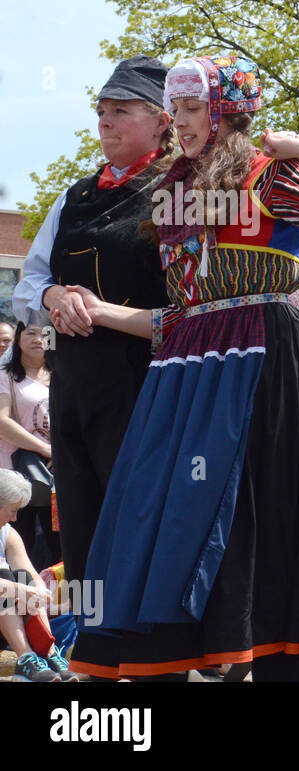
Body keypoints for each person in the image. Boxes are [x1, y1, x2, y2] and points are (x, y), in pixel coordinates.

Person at [65, 54, 299, 681]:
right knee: (165, 513)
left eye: (192, 109)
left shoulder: (269, 176)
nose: (179, 121)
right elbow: (181, 316)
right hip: (185, 372)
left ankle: (276, 657)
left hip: (264, 361)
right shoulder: (173, 193)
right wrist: (99, 309)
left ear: (225, 113)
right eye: (176, 109)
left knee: (260, 511)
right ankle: (177, 656)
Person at [12, 55, 175, 606]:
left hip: (146, 386)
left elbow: (196, 304)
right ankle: (95, 648)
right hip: (74, 389)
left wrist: (101, 310)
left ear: (162, 121)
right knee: (80, 521)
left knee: (141, 517)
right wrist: (54, 295)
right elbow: (27, 285)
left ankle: (156, 651)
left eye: (121, 111)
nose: (105, 121)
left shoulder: (180, 194)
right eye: (102, 110)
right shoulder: (72, 197)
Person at [0, 469, 74, 681]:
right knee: (6, 578)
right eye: (12, 511)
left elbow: (30, 574)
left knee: (27, 581)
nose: (15, 518)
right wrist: (22, 590)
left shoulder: (8, 534)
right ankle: (25, 657)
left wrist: (38, 593)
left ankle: (47, 654)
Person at [0, 323, 57, 570]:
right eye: (30, 332)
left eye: (45, 334)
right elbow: (2, 422)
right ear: (18, 339)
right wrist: (46, 450)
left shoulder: (63, 374)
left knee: (59, 544)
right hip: (15, 474)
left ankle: (59, 604)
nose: (38, 338)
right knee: (20, 543)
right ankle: (24, 603)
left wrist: (63, 454)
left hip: (58, 475)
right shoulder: (5, 376)